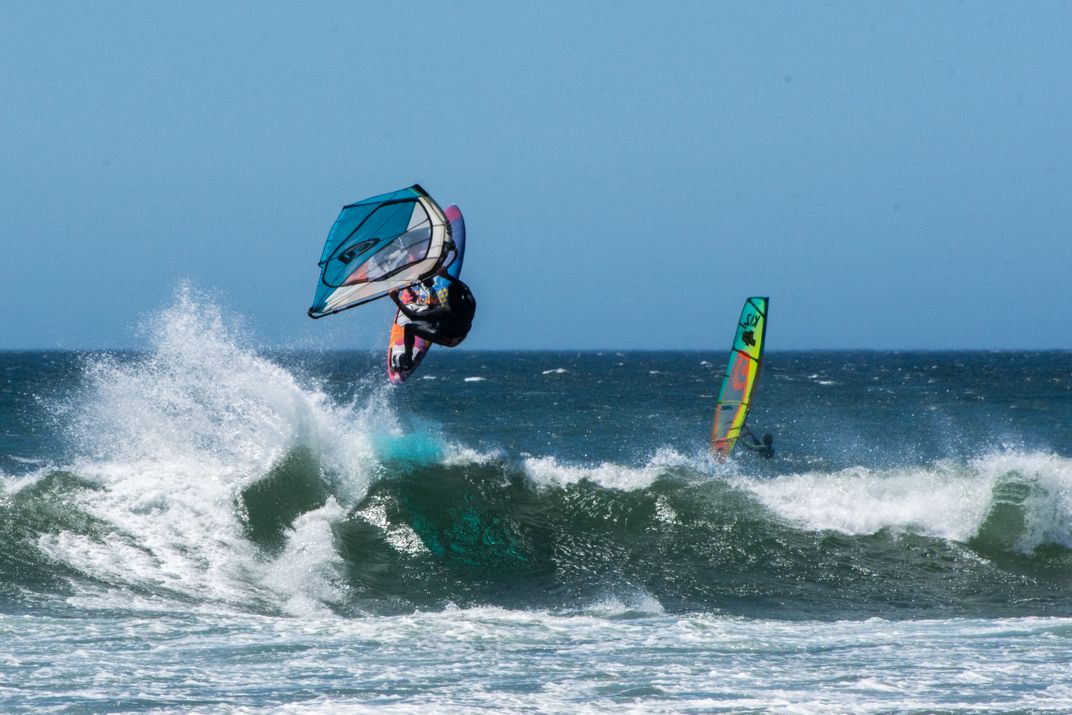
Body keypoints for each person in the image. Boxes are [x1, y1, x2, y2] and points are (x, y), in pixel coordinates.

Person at [389, 267, 476, 371]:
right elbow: (464, 287)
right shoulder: (470, 301)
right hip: (461, 332)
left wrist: (396, 299)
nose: (446, 298)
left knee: (409, 327)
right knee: (435, 309)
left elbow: (413, 316)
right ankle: (428, 284)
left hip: (448, 339)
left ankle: (407, 360)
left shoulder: (447, 311)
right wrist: (447, 276)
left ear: (452, 301)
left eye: (448, 297)